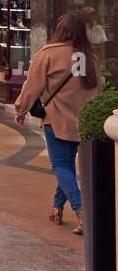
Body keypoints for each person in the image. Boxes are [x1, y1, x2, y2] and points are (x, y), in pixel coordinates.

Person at [14, 13, 99, 235]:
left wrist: (21, 109)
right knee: (67, 166)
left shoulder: (48, 54)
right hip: (84, 120)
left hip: (57, 118)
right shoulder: (90, 56)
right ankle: (57, 207)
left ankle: (82, 212)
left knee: (61, 166)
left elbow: (32, 86)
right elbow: (98, 89)